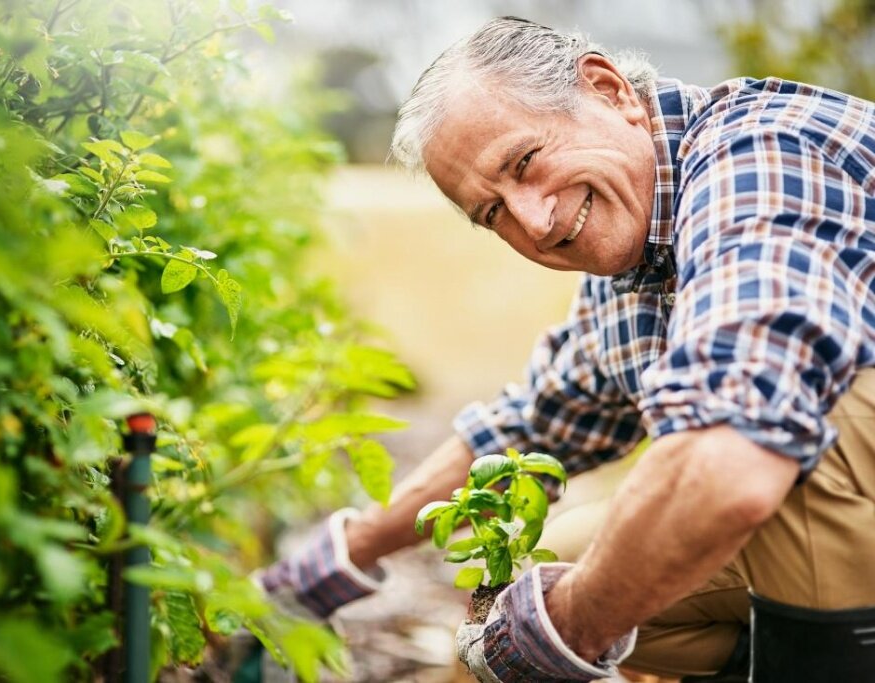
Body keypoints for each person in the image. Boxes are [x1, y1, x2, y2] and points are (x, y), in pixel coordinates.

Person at [256, 16, 875, 682]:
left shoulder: (758, 160)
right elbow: (532, 424)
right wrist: (340, 558)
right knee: (546, 568)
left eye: (524, 163)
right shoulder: (640, 240)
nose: (534, 223)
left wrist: (571, 626)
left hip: (815, 490)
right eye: (492, 214)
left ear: (609, 91)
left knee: (787, 422)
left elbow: (728, 460)